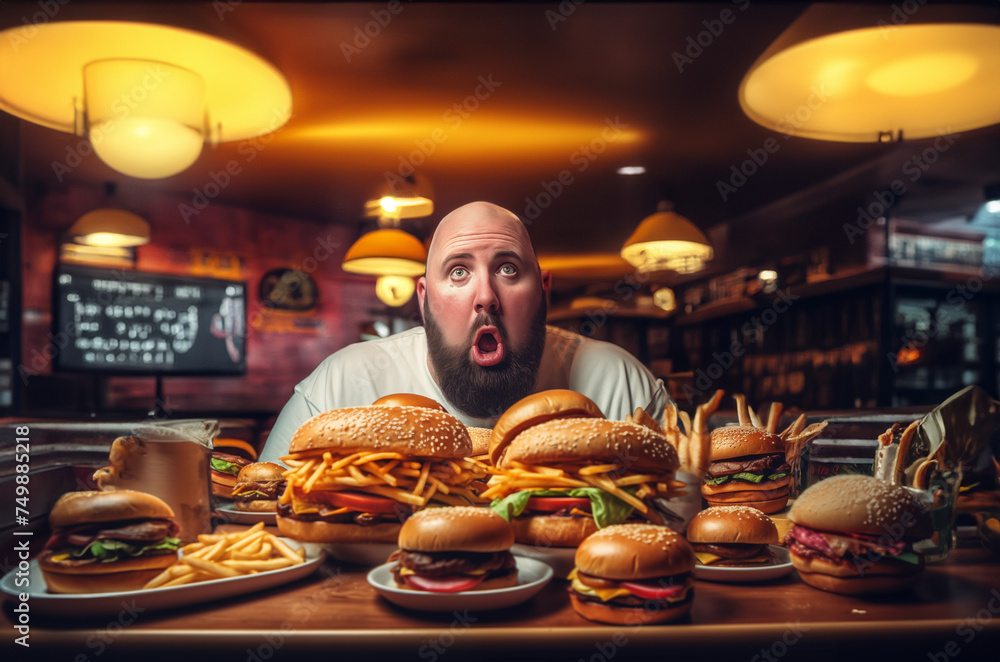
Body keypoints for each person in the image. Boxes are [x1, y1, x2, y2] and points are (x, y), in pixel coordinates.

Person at [259, 201, 669, 464]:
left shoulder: (622, 384)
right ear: (423, 299)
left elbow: (684, 514)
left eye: (508, 268)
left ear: (543, 290)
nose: (486, 297)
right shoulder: (339, 386)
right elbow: (263, 511)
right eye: (458, 272)